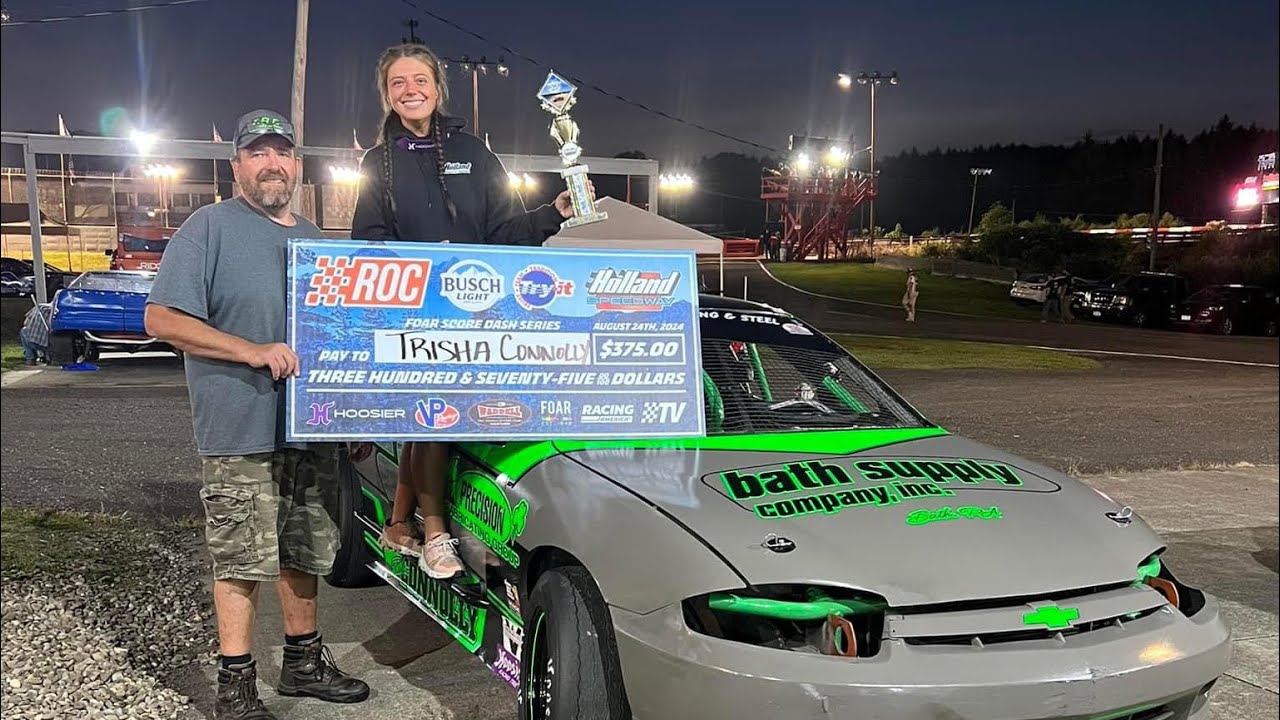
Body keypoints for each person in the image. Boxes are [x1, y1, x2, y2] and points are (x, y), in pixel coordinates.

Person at [145, 109, 372, 720]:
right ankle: (236, 684)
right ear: (237, 165)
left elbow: (340, 335)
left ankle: (302, 664)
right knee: (241, 556)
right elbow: (162, 319)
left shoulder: (319, 243)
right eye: (258, 154)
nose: (273, 164)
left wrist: (348, 418)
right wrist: (249, 351)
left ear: (296, 164)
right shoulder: (209, 227)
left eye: (283, 154)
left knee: (304, 550)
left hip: (310, 428)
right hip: (239, 427)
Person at [350, 43, 580, 580]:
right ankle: (434, 534)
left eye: (420, 80)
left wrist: (556, 213)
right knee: (434, 416)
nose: (410, 90)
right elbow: (369, 240)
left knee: (428, 422)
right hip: (415, 311)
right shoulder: (376, 161)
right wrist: (419, 281)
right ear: (387, 94)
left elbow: (503, 232)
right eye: (398, 83)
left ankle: (398, 524)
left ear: (438, 86)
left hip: (478, 312)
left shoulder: (473, 151)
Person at [18, 300, 52, 365]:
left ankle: (30, 358)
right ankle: (49, 358)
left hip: (35, 343)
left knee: (23, 331)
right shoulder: (63, 311)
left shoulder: (39, 307)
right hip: (56, 345)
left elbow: (25, 323)